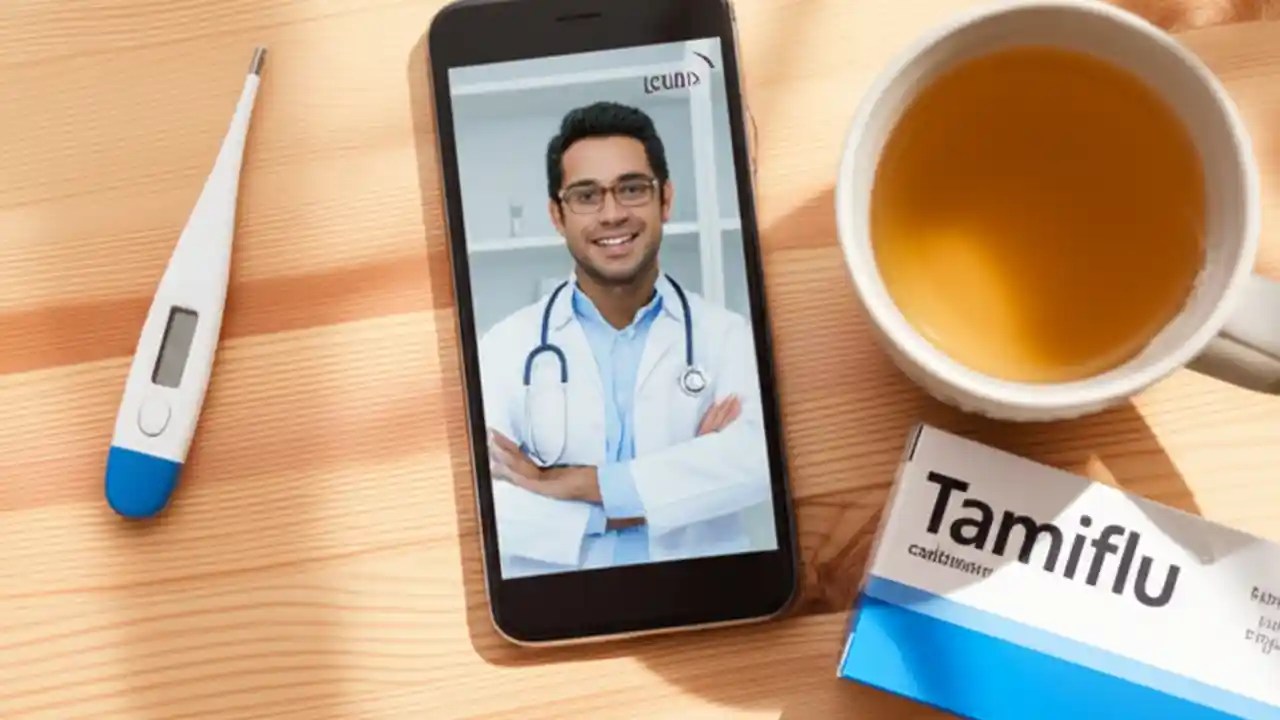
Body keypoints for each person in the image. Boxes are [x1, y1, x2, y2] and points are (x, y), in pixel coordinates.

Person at [477, 101, 771, 579]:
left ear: (666, 200)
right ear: (557, 215)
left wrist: (569, 483)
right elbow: (488, 506)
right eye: (586, 195)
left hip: (702, 594)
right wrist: (673, 485)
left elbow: (755, 463)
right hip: (557, 602)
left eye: (632, 189)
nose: (612, 214)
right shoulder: (504, 347)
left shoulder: (726, 335)